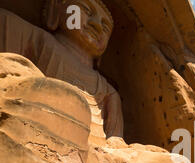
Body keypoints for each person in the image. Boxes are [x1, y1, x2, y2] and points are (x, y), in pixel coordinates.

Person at [0, 0, 124, 142]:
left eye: (105, 26)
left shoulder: (108, 92)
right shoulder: (31, 36)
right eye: (86, 10)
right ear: (56, 7)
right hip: (31, 129)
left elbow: (116, 142)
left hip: (91, 151)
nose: (96, 25)